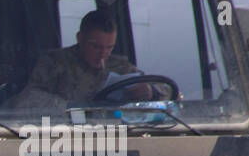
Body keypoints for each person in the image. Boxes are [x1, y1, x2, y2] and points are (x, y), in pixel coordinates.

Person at [12, 8, 160, 107]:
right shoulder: (54, 62)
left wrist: (151, 91)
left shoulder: (120, 66)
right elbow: (28, 99)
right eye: (96, 47)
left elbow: (167, 90)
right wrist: (68, 107)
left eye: (109, 48)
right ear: (80, 38)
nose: (103, 54)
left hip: (114, 134)